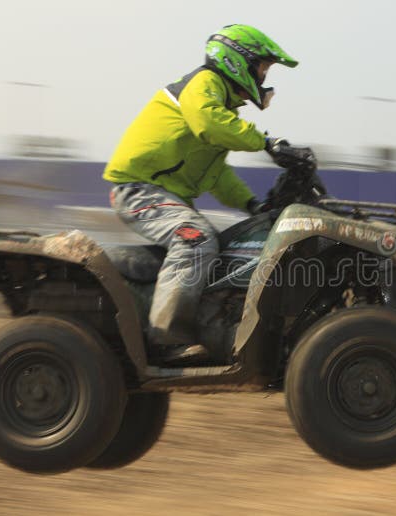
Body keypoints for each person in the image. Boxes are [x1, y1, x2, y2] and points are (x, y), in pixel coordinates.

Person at [103, 24, 297, 359]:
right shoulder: (203, 85)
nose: (264, 77)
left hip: (162, 194)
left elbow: (217, 175)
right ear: (240, 61)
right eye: (262, 67)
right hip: (138, 189)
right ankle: (166, 337)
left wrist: (252, 204)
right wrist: (266, 142)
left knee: (224, 246)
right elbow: (209, 122)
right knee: (195, 240)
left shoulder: (221, 107)